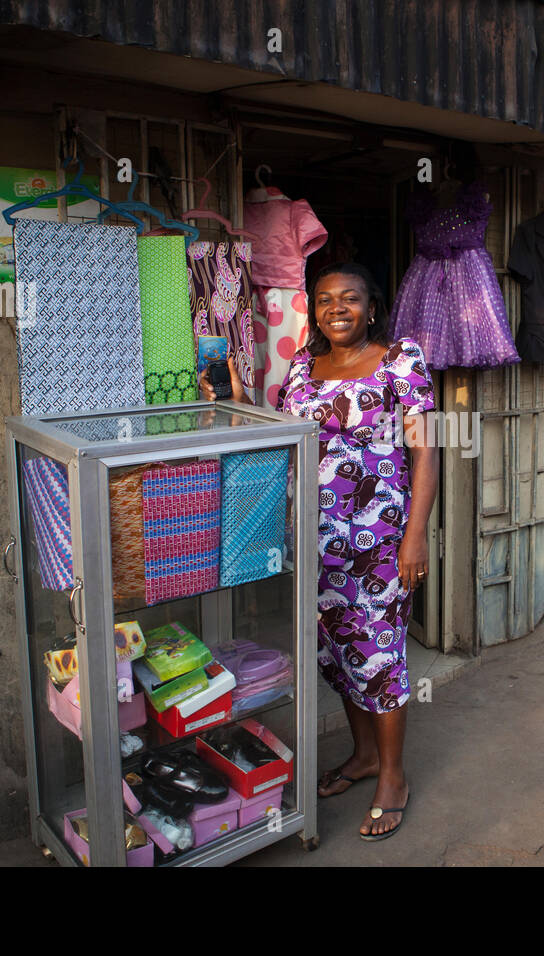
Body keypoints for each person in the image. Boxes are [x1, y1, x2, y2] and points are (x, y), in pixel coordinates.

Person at [200, 261, 438, 841]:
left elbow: (425, 452)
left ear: (371, 306)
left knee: (379, 656)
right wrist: (234, 398)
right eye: (326, 299)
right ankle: (362, 757)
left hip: (379, 541)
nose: (337, 308)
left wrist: (415, 534)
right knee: (337, 653)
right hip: (312, 539)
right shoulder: (302, 371)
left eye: (350, 298)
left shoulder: (400, 361)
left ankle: (394, 778)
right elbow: (280, 435)